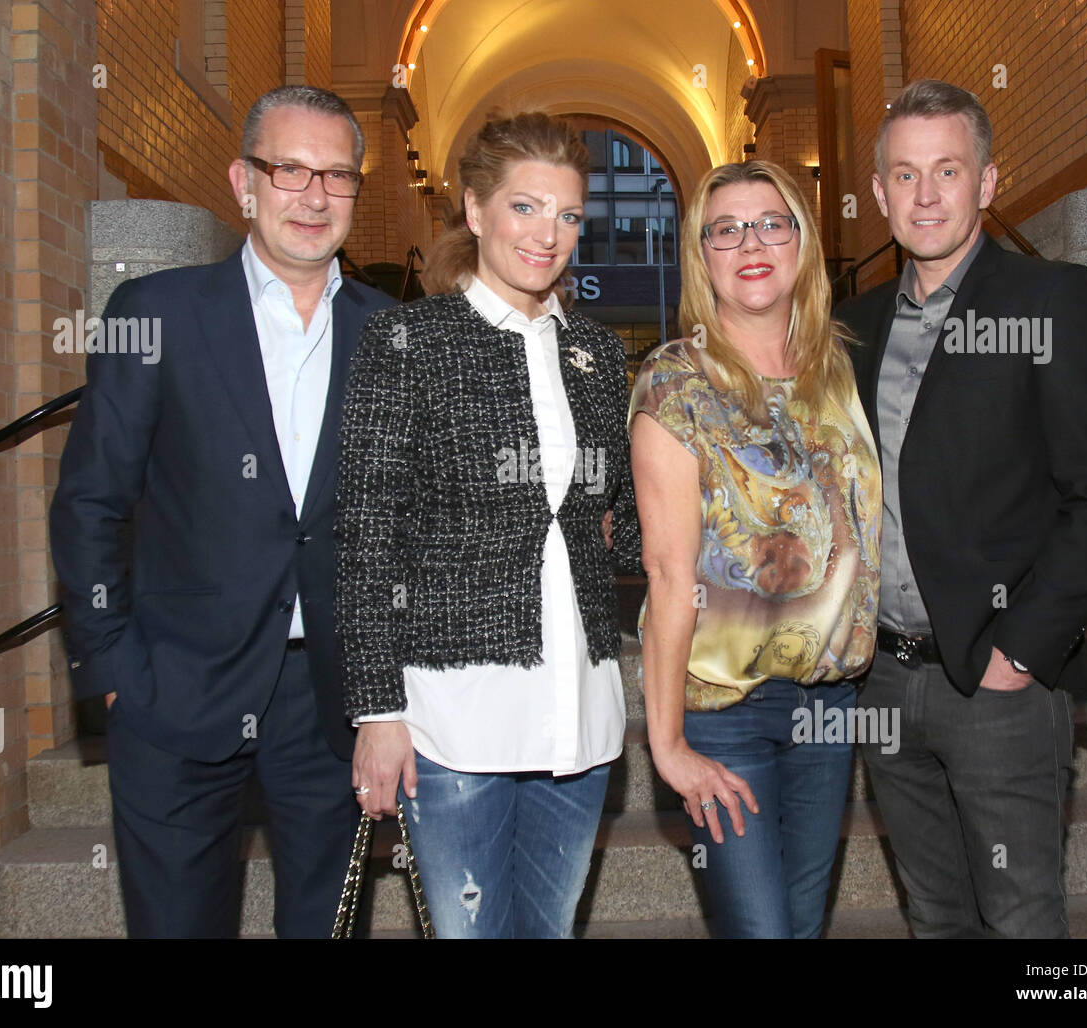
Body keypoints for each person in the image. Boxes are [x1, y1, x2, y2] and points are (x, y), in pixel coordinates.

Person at [49, 86, 395, 937]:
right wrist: (113, 669)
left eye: (337, 175)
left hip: (333, 700)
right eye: (289, 170)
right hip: (174, 686)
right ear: (244, 183)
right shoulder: (155, 314)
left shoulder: (393, 335)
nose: (314, 196)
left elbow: (406, 529)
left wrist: (395, 701)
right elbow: (90, 500)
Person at [835, 79, 1087, 938]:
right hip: (882, 680)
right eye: (905, 174)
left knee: (1022, 920)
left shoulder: (1051, 299)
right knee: (937, 917)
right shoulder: (852, 326)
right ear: (880, 191)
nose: (926, 195)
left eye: (948, 170)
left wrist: (1023, 650)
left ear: (988, 181)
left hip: (996, 685)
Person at [336, 111, 641, 939]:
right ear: (475, 211)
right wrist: (376, 712)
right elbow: (366, 535)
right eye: (524, 207)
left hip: (580, 713)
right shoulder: (406, 340)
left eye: (568, 215)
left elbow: (622, 522)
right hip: (454, 716)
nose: (548, 235)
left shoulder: (595, 354)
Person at [629, 160, 882, 938]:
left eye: (772, 223)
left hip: (829, 705)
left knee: (800, 925)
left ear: (802, 242)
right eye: (726, 229)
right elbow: (668, 574)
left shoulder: (839, 370)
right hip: (723, 710)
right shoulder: (676, 382)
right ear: (701, 255)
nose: (751, 243)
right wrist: (666, 742)